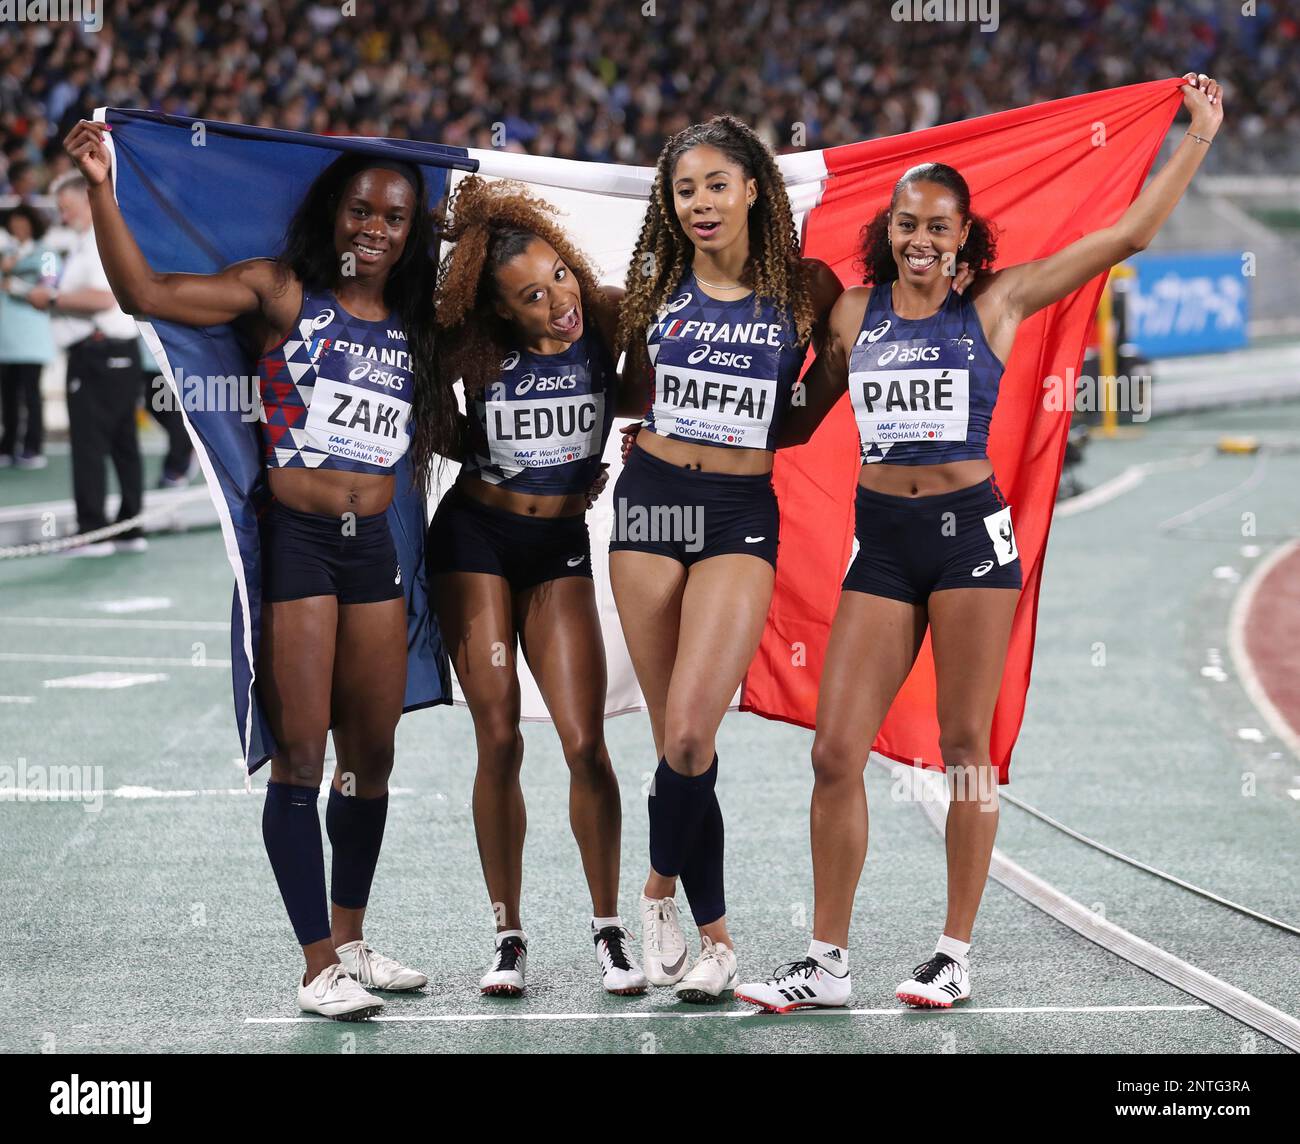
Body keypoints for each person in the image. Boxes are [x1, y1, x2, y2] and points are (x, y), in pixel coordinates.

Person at [736, 72, 1224, 1012]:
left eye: (939, 227)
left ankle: (953, 951)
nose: (921, 239)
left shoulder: (996, 306)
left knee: (966, 747)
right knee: (836, 753)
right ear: (888, 232)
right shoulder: (849, 314)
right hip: (879, 547)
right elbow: (798, 412)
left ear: (964, 239)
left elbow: (1126, 236)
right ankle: (825, 960)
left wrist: (1194, 136)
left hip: (968, 547)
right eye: (907, 224)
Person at [62, 118, 462, 1019]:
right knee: (302, 756)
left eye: (395, 217)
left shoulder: (416, 322)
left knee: (373, 757)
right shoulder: (281, 292)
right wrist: (99, 184)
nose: (376, 227)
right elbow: (146, 293)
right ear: (334, 213)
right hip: (301, 546)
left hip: (378, 554)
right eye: (362, 209)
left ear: (411, 232)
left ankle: (352, 941)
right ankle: (316, 963)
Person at [608, 115, 842, 1003]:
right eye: (683, 189)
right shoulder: (650, 288)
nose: (700, 202)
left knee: (691, 733)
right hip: (652, 505)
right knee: (681, 740)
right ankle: (716, 941)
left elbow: (825, 391)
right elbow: (621, 383)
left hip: (741, 511)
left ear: (753, 189)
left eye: (715, 184)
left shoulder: (805, 289)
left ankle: (657, 887)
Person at [427, 175, 648, 997]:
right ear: (500, 312)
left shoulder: (611, 314)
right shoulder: (470, 348)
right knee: (499, 738)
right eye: (532, 294)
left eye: (559, 274)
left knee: (585, 743)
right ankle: (508, 935)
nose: (558, 299)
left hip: (558, 548)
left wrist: (621, 446)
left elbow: (647, 378)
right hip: (476, 542)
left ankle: (610, 929)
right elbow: (433, 419)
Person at [28, 172, 145, 555]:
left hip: (97, 353)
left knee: (91, 444)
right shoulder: (87, 241)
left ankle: (92, 531)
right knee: (123, 441)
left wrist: (52, 299)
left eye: (67, 207)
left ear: (86, 201)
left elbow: (101, 299)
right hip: (117, 354)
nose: (62, 215)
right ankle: (130, 529)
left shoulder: (96, 241)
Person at [0, 203, 57, 469]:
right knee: (8, 395)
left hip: (32, 339)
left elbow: (49, 288)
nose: (18, 227)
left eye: (23, 222)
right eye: (14, 222)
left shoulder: (46, 254)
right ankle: (8, 445)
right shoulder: (5, 252)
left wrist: (17, 285)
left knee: (31, 394)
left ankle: (33, 447)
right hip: (6, 340)